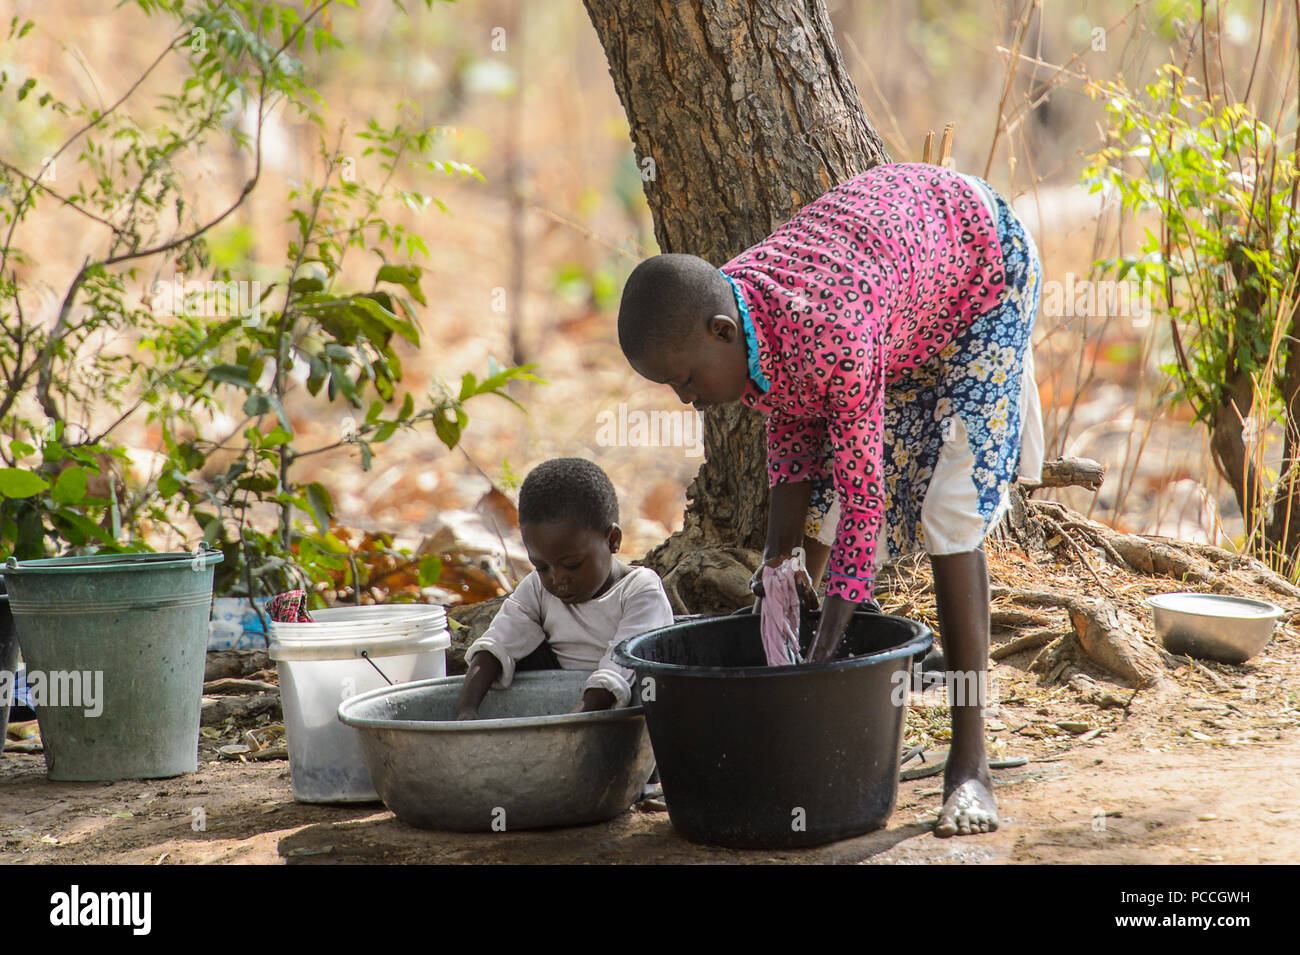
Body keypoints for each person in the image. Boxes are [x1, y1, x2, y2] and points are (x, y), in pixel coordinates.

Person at [616, 162, 1044, 838]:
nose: (688, 399)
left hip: (983, 270)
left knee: (949, 512)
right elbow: (790, 426)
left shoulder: (828, 329)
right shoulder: (741, 308)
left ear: (721, 332)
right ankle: (799, 666)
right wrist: (776, 560)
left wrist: (817, 670)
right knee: (817, 513)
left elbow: (863, 504)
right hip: (905, 296)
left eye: (688, 380)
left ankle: (970, 762)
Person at [455, 457, 674, 720]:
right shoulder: (538, 589)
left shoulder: (638, 591)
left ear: (612, 540)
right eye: (541, 566)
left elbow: (617, 671)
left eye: (572, 565)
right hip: (564, 705)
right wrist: (466, 711)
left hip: (626, 715)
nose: (558, 579)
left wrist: (569, 724)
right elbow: (496, 644)